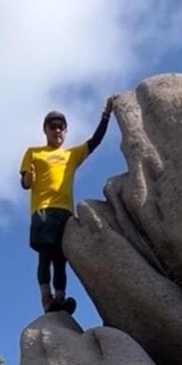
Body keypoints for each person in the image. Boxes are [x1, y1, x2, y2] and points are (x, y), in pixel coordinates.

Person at [20, 97, 115, 312]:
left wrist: (106, 114)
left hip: (64, 212)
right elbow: (25, 181)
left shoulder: (70, 155)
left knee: (61, 258)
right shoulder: (34, 152)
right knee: (45, 254)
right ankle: (46, 297)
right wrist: (28, 179)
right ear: (45, 130)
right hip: (43, 208)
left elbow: (95, 141)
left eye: (62, 127)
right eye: (53, 127)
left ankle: (60, 299)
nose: (58, 131)